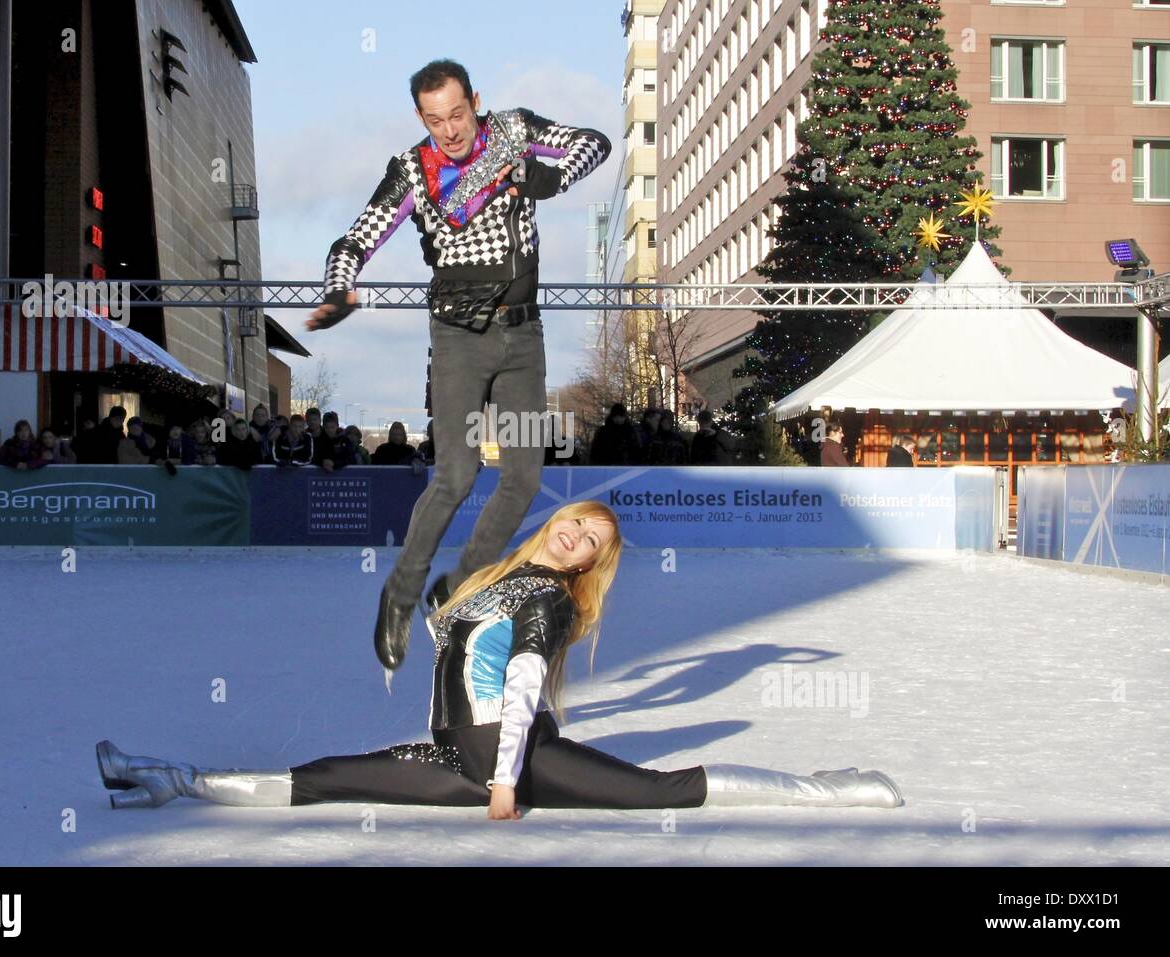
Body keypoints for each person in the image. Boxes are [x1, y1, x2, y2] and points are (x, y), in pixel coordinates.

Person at [95, 500, 903, 817]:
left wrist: (511, 778)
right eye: (575, 523)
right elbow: (453, 671)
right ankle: (171, 777)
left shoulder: (546, 599)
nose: (574, 537)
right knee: (323, 776)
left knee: (664, 788)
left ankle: (831, 790)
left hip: (515, 761)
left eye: (590, 541)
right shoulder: (498, 579)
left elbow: (520, 682)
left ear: (591, 564)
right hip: (456, 756)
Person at [305, 58, 612, 675]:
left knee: (524, 478)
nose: (450, 130)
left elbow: (594, 144)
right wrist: (340, 287)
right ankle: (399, 594)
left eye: (457, 114)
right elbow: (355, 239)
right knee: (456, 474)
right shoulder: (413, 173)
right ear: (421, 118)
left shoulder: (515, 132)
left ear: (475, 100)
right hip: (458, 342)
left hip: (523, 340)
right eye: (434, 119)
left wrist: (541, 177)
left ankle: (462, 585)